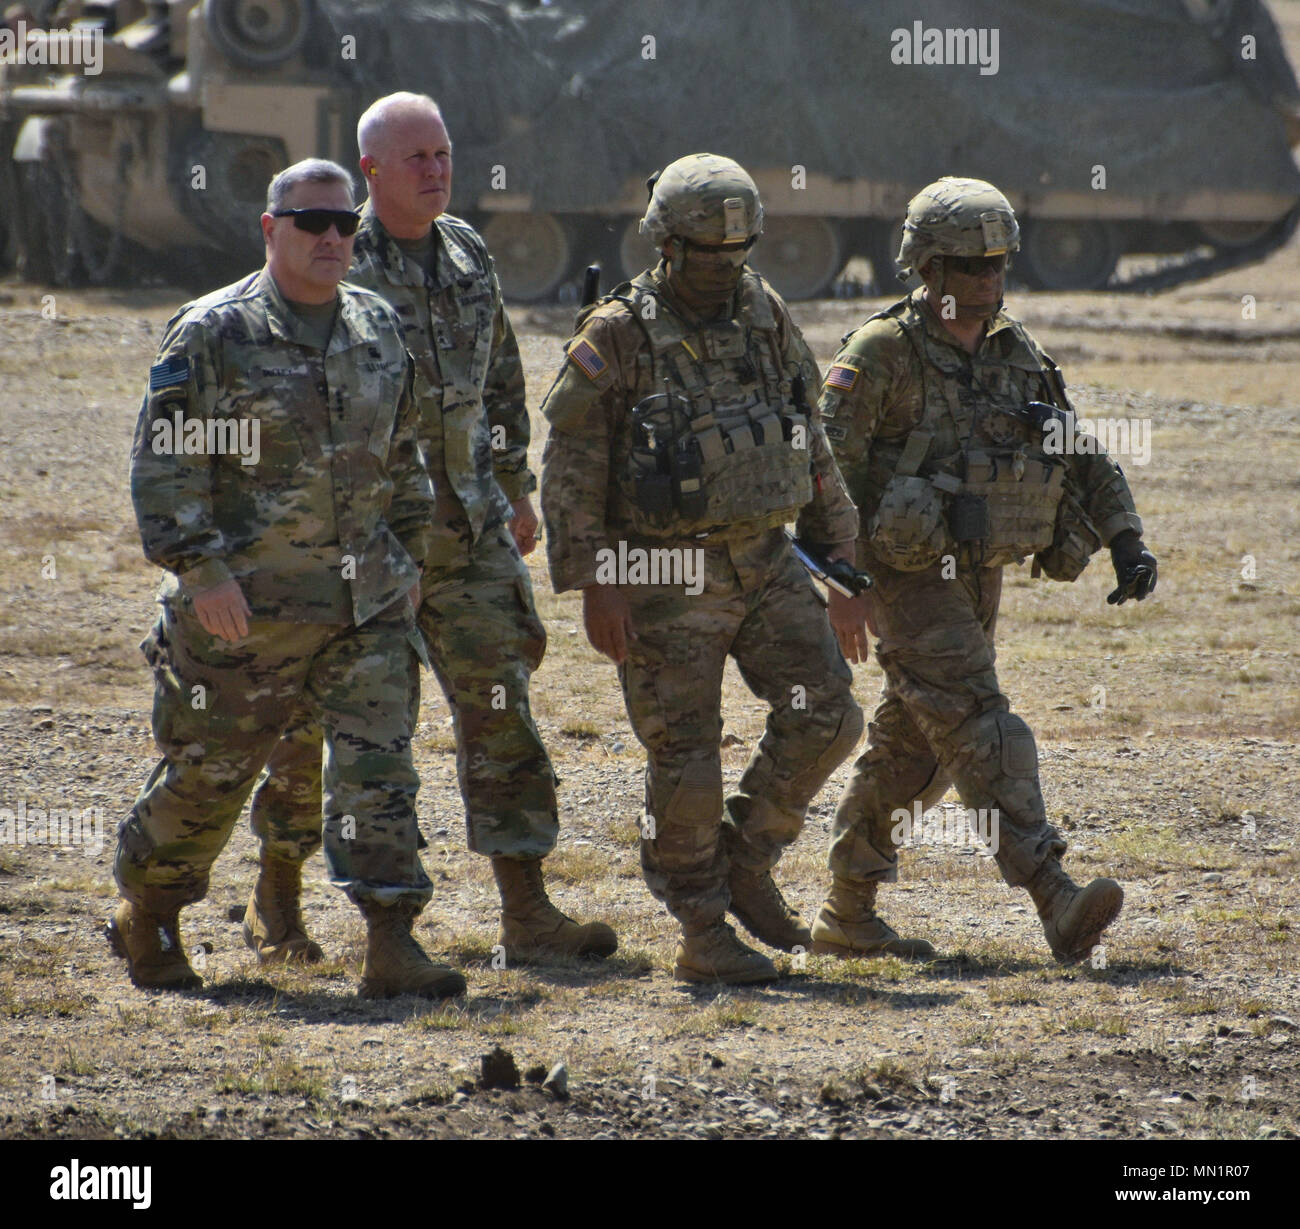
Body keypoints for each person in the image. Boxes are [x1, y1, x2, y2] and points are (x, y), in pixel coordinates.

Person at [245, 93, 616, 967]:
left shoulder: (466, 252)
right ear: (370, 171)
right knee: (331, 727)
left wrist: (514, 481)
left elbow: (498, 377)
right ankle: (282, 895)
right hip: (364, 542)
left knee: (502, 711)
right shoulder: (333, 258)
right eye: (416, 158)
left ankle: (526, 912)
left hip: (469, 529)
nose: (437, 170)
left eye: (444, 153)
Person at [111, 157, 464, 1000]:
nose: (333, 238)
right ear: (271, 229)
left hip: (365, 602)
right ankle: (149, 914)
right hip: (245, 611)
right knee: (210, 774)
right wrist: (201, 572)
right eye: (313, 223)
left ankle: (391, 937)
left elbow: (406, 457)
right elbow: (164, 467)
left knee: (379, 768)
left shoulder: (377, 325)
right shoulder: (213, 333)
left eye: (345, 223)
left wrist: (408, 558)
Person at [813, 176, 1158, 965]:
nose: (989, 279)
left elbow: (1080, 451)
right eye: (970, 266)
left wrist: (1125, 536)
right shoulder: (883, 353)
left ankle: (847, 909)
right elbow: (824, 472)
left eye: (999, 262)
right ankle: (1053, 893)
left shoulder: (1017, 352)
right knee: (981, 721)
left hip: (977, 575)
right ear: (927, 268)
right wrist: (842, 583)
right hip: (902, 576)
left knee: (918, 749)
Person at [539, 153, 864, 984]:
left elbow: (809, 435)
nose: (722, 269)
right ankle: (702, 927)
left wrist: (842, 564)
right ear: (666, 244)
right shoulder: (617, 333)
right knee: (685, 752)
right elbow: (572, 464)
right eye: (705, 254)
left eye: (736, 253)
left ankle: (745, 863)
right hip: (662, 572)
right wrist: (598, 580)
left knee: (829, 714)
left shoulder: (766, 313)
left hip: (764, 558)